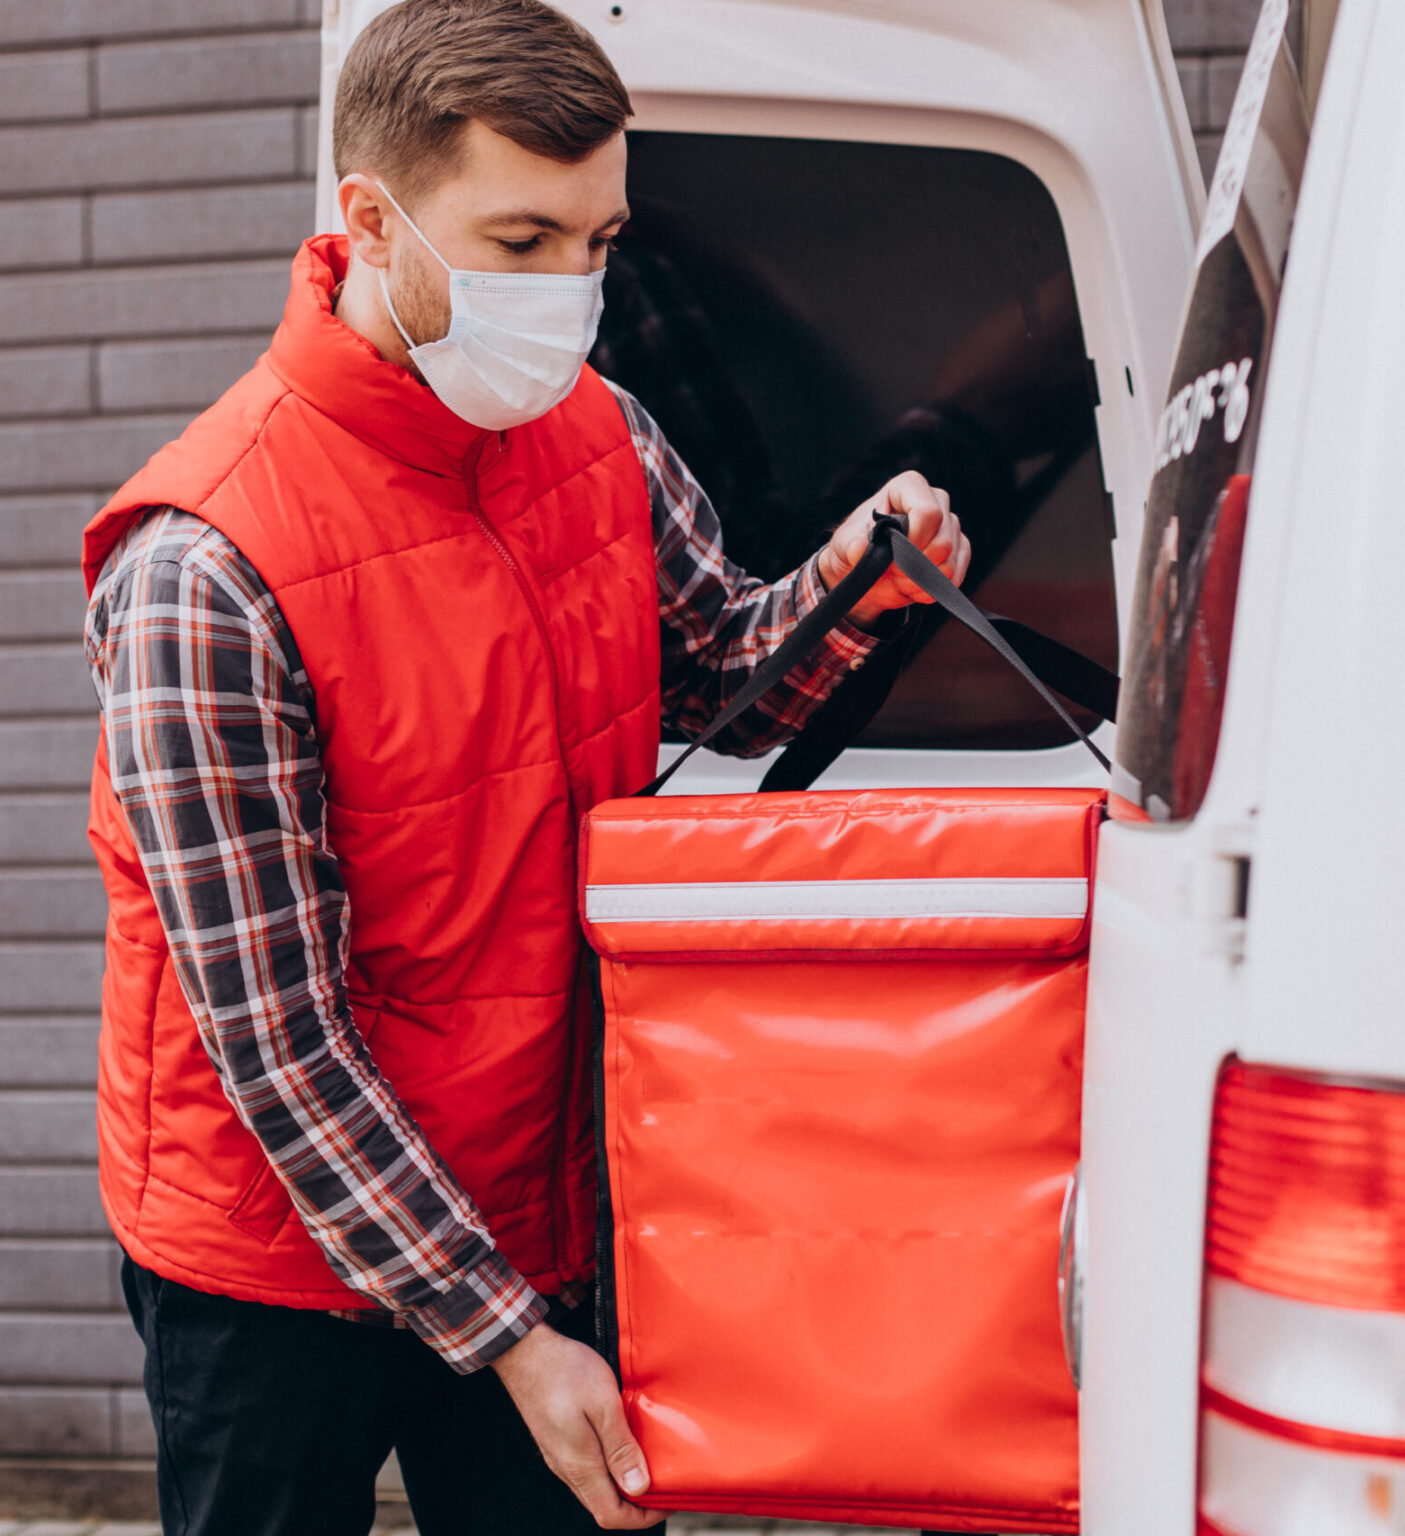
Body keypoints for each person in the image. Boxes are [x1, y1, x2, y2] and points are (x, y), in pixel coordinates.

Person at [80, 1, 970, 1532]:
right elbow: (280, 1051)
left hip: (540, 1201)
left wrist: (851, 588)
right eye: (521, 240)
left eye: (599, 242)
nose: (574, 293)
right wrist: (508, 1339)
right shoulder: (205, 566)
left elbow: (723, 688)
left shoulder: (599, 436)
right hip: (275, 1254)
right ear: (370, 222)